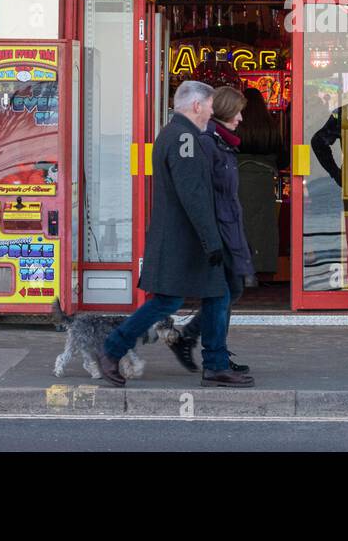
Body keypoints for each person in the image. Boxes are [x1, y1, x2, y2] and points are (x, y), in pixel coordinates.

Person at [97, 80, 253, 388]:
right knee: (166, 303)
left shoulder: (177, 134)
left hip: (182, 238)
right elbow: (193, 195)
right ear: (197, 106)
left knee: (217, 295)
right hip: (184, 241)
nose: (212, 111)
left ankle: (216, 364)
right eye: (210, 106)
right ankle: (112, 350)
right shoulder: (185, 138)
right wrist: (212, 241)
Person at [169, 86, 255, 375]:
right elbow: (199, 191)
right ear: (225, 111)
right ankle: (213, 359)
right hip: (218, 230)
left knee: (230, 290)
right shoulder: (208, 143)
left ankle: (190, 337)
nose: (242, 117)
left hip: (228, 227)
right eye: (238, 111)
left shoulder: (223, 142)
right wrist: (209, 235)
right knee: (223, 292)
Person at [236, 86, 285, 278]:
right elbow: (282, 158)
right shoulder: (271, 125)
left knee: (239, 224)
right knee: (263, 227)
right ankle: (262, 268)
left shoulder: (236, 124)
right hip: (264, 180)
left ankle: (240, 269)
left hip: (238, 178)